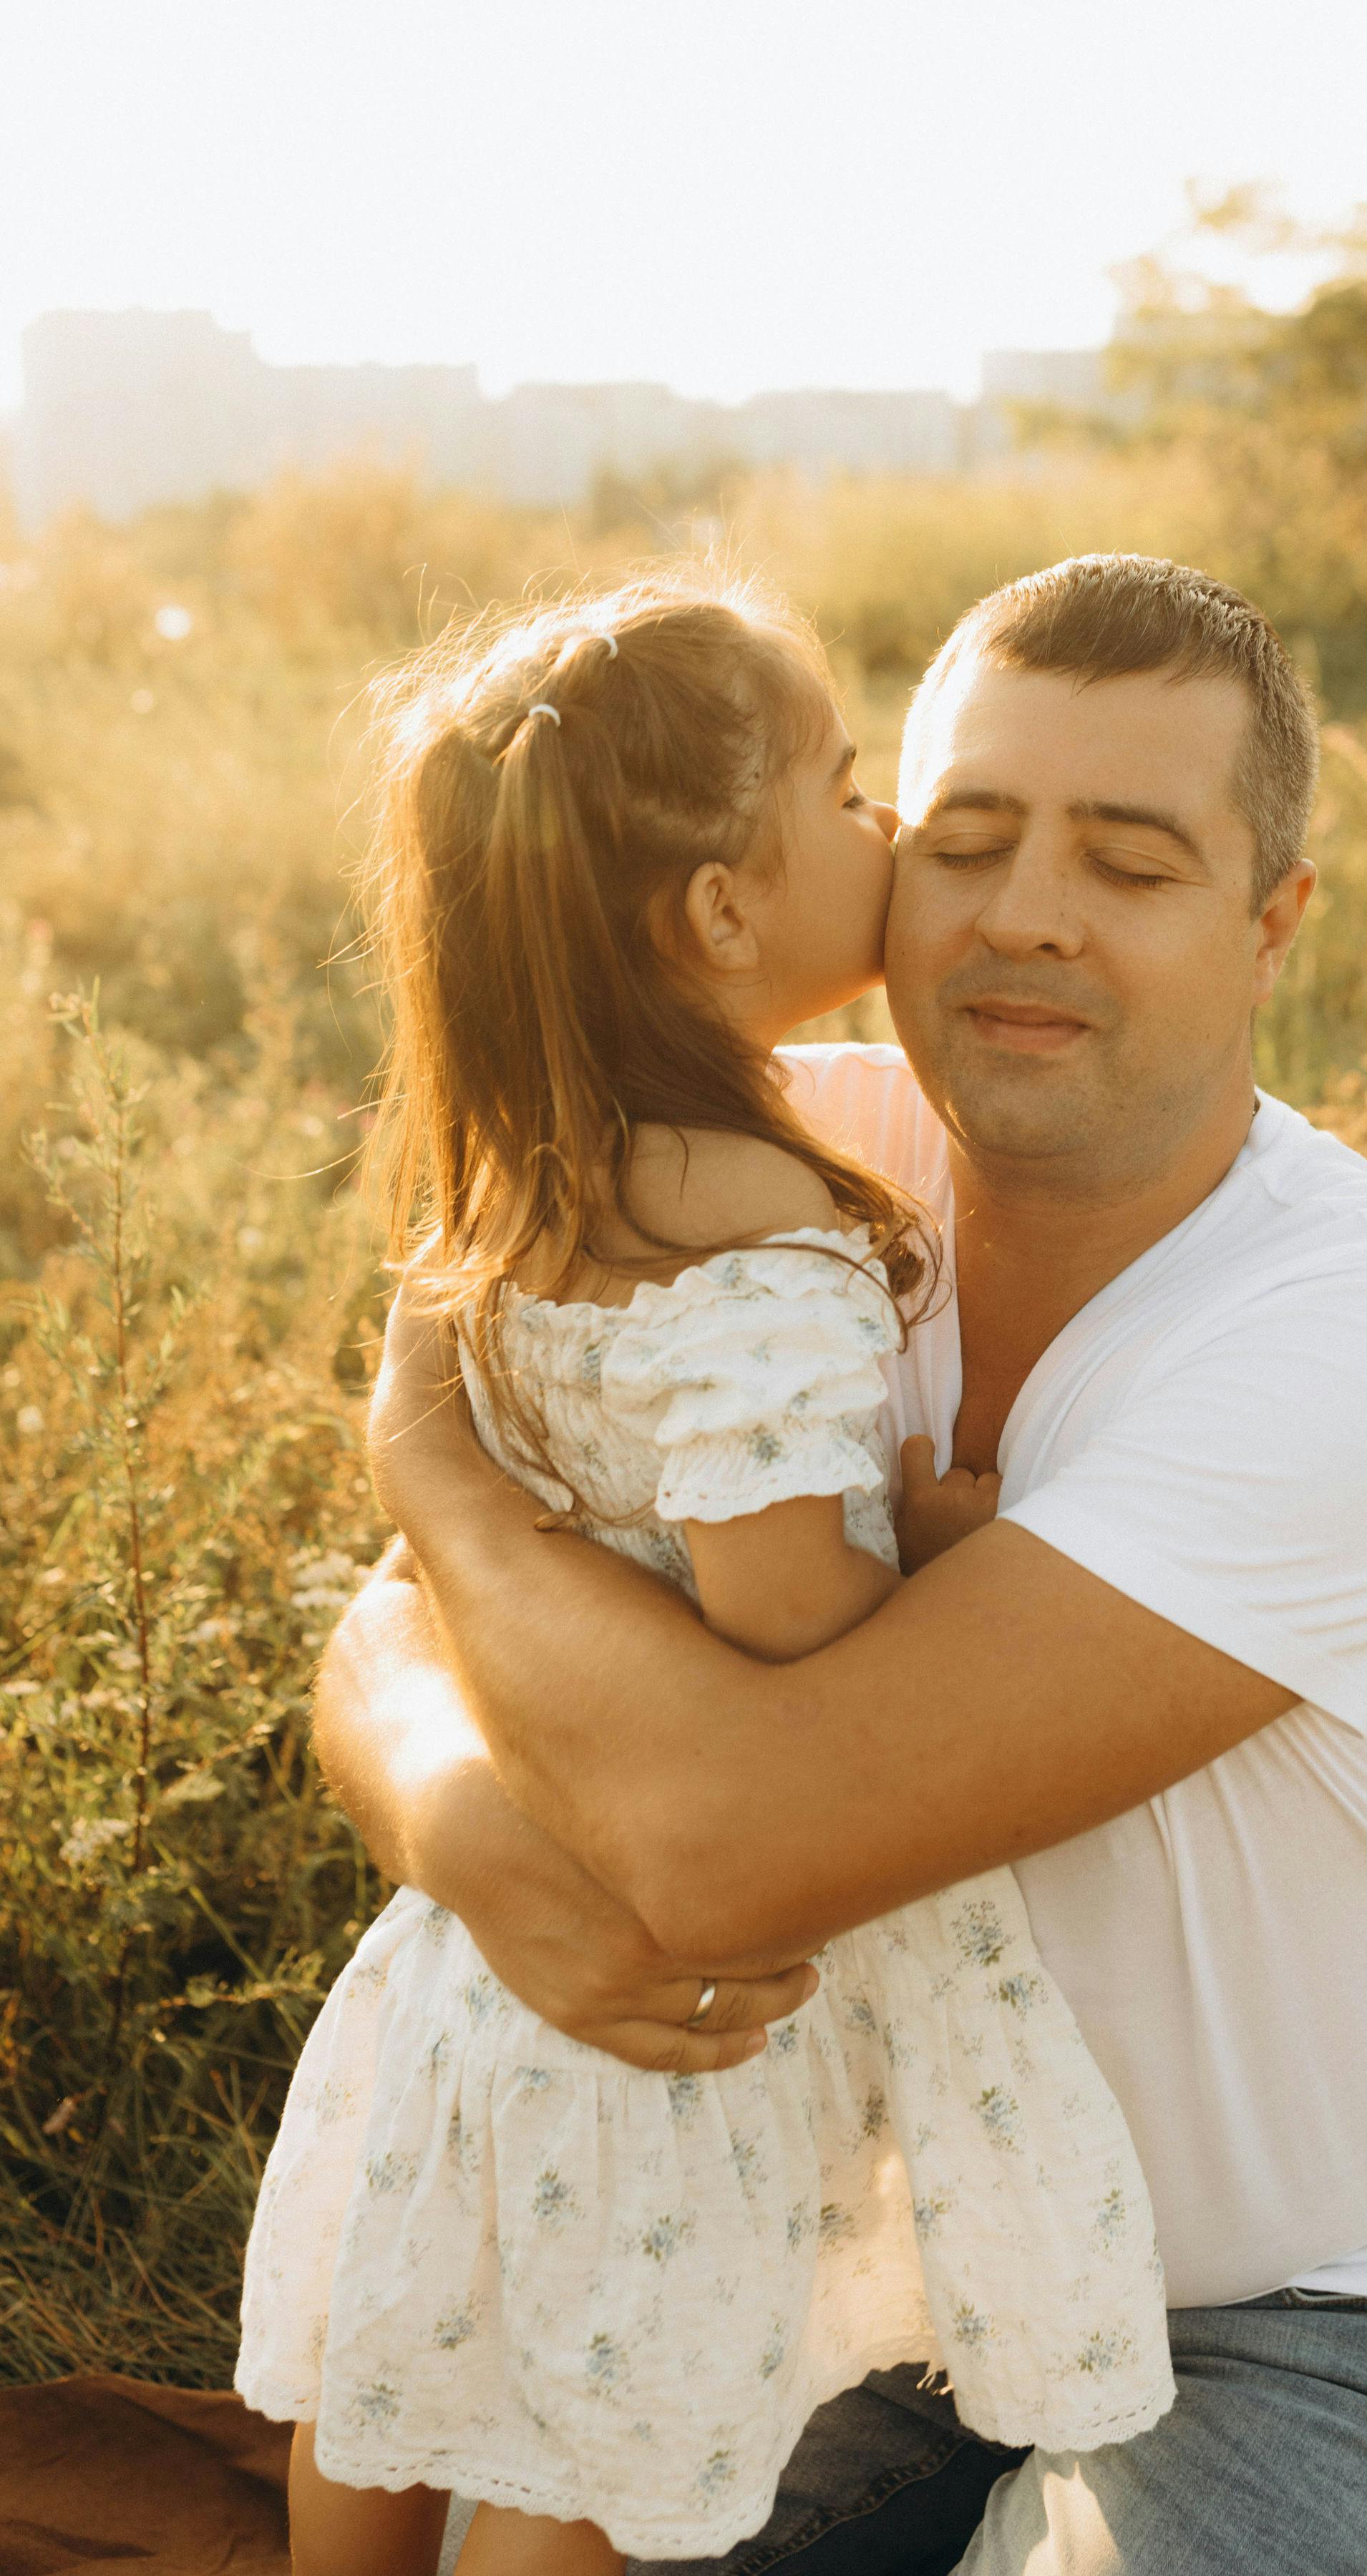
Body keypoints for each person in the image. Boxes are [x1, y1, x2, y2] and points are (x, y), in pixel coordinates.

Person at [321, 555, 1367, 2575]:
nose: (1025, 910)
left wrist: (423, 1461)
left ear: (1269, 923)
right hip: (936, 2262)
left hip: (1365, 2310)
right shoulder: (790, 1172)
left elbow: (727, 1843)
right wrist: (467, 1828)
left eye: (1131, 864)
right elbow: (399, 1633)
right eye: (961, 839)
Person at [236, 573, 1174, 2576]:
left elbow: (531, 1510)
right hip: (681, 2023)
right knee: (601, 2442)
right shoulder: (760, 1240)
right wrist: (929, 1558)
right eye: (848, 794)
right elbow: (779, 1620)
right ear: (722, 912)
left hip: (480, 1968)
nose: (892, 833)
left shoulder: (525, 1173)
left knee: (394, 2365)